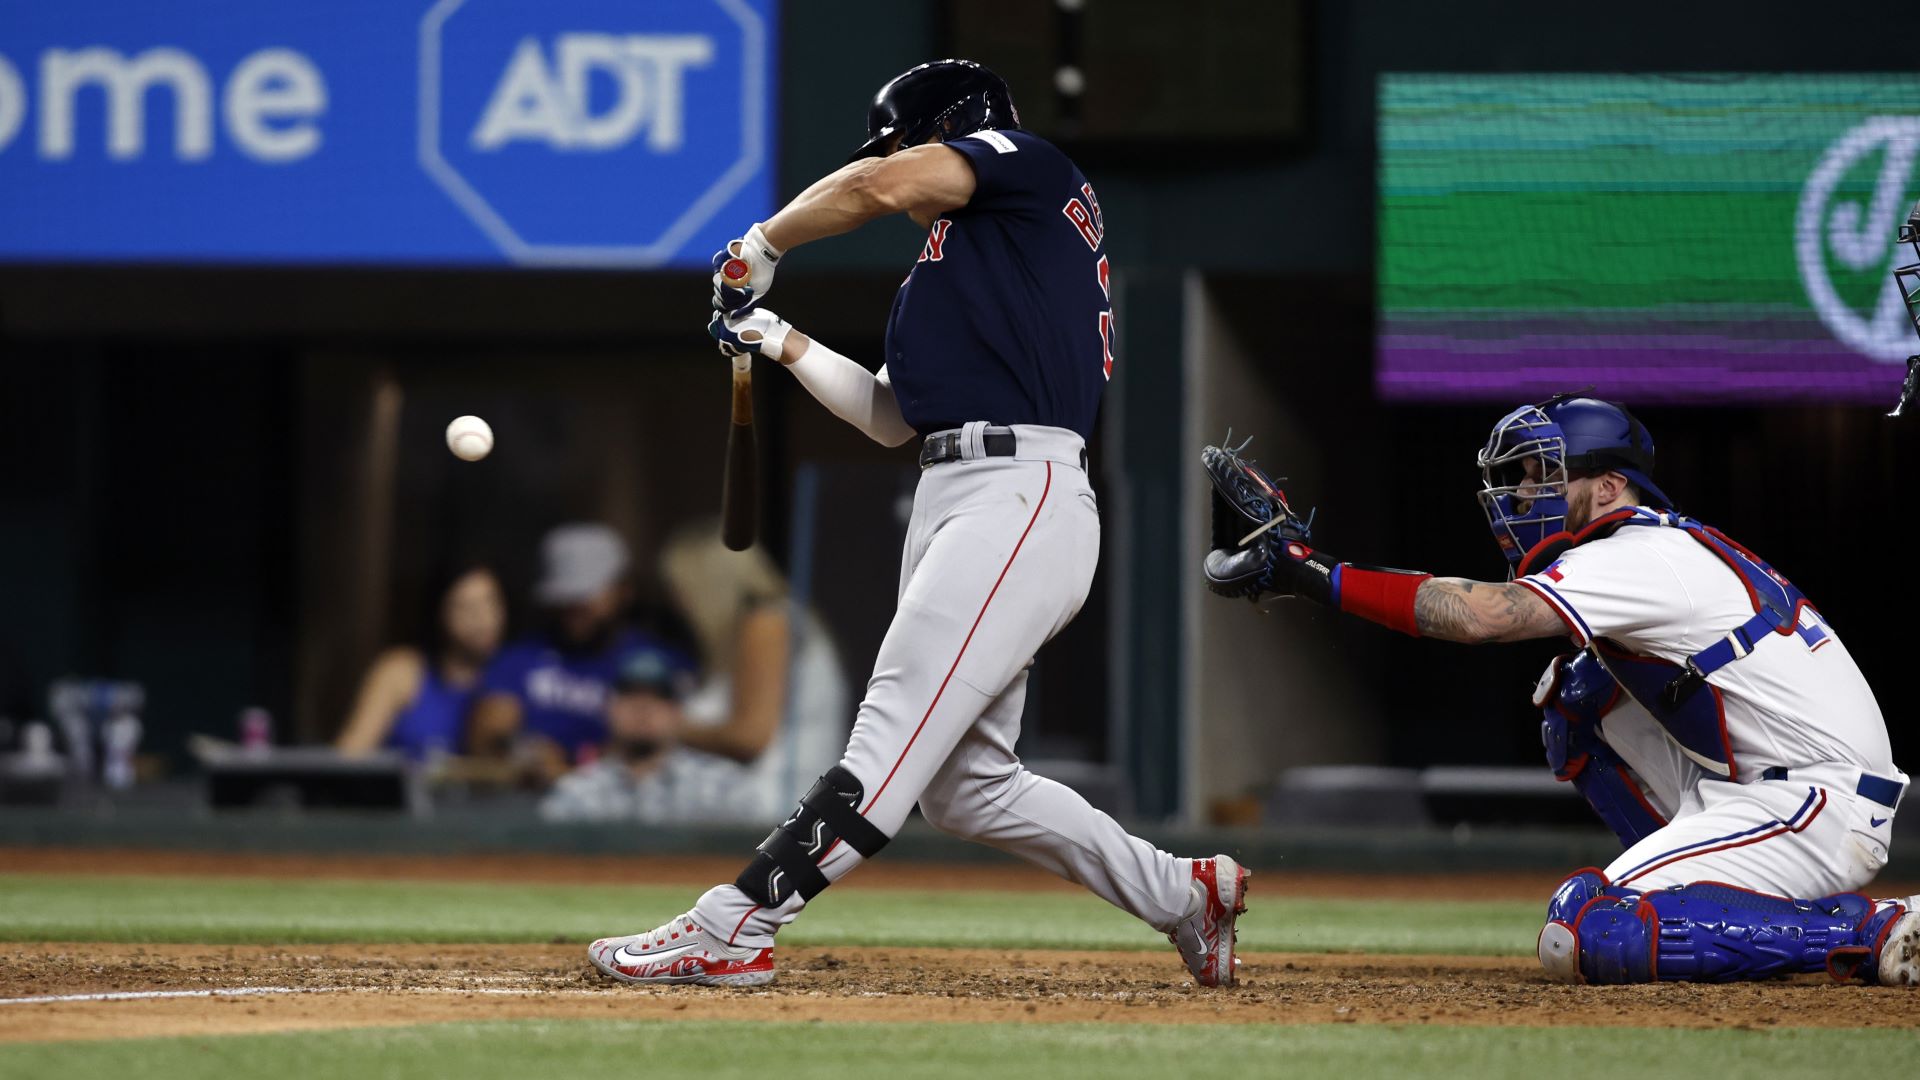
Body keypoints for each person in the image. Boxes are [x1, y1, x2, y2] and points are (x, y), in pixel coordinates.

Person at [587, 60, 1247, 989]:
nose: (890, 165)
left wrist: (760, 245)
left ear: (949, 129)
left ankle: (736, 923)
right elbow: (893, 415)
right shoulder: (959, 268)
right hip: (965, 492)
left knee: (888, 734)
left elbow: (876, 183)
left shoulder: (1029, 164)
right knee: (968, 788)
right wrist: (775, 337)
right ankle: (1185, 894)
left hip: (1019, 493)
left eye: (900, 140)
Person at [1199, 393, 1917, 986]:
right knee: (1574, 698)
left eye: (1543, 474)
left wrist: (1309, 571)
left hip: (1816, 801)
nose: (1522, 493)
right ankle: (1706, 896)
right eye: (1517, 477)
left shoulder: (1637, 553)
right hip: (1774, 785)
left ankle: (1872, 929)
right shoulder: (1652, 547)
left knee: (1590, 929)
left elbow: (1482, 616)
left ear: (1609, 488)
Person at [659, 520, 850, 821]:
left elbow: (749, 736)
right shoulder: (760, 625)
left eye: (679, 589)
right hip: (764, 808)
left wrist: (668, 727)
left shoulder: (767, 621)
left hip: (773, 813)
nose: (677, 604)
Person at [470, 524, 685, 784]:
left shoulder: (653, 661)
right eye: (563, 597)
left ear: (624, 590)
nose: (572, 608)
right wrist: (525, 751)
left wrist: (578, 768)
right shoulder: (521, 657)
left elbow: (664, 740)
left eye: (584, 597)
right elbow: (488, 734)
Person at [539, 643, 753, 824]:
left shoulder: (723, 788)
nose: (643, 707)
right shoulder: (576, 794)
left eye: (658, 696)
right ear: (608, 708)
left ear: (677, 712)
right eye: (630, 694)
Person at [335, 565, 505, 761]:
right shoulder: (402, 671)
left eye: (491, 602)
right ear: (439, 612)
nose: (482, 618)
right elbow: (350, 757)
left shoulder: (517, 677)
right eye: (465, 607)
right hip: (407, 789)